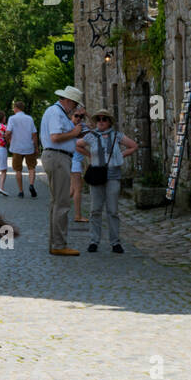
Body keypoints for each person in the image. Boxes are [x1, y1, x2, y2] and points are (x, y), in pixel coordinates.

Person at [76, 108, 137, 253]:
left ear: (109, 122)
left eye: (104, 119)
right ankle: (94, 241)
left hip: (113, 176)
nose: (101, 122)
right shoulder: (91, 136)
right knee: (95, 210)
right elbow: (77, 145)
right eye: (99, 119)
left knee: (113, 210)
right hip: (97, 176)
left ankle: (115, 242)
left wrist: (120, 155)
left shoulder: (117, 135)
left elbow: (134, 146)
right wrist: (90, 155)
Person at [39, 85, 86, 256]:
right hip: (58, 157)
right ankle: (59, 244)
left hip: (57, 157)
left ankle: (56, 242)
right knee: (62, 202)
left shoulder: (56, 113)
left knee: (56, 202)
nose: (74, 108)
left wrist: (74, 132)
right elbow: (55, 137)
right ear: (68, 101)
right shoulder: (56, 112)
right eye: (74, 105)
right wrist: (74, 132)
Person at [6, 100, 39, 197]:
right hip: (29, 146)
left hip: (16, 147)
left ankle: (21, 191)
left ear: (16, 108)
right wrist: (36, 147)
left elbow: (8, 132)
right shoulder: (29, 118)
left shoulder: (12, 118)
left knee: (18, 170)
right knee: (31, 167)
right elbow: (34, 134)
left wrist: (8, 140)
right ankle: (31, 185)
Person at [69, 104, 90, 223]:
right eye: (76, 116)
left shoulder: (82, 126)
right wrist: (90, 155)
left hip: (75, 162)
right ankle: (78, 215)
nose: (78, 118)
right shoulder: (70, 127)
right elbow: (77, 147)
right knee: (78, 189)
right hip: (74, 162)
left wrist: (86, 113)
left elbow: (94, 126)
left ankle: (59, 207)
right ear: (71, 116)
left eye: (80, 116)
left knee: (72, 190)